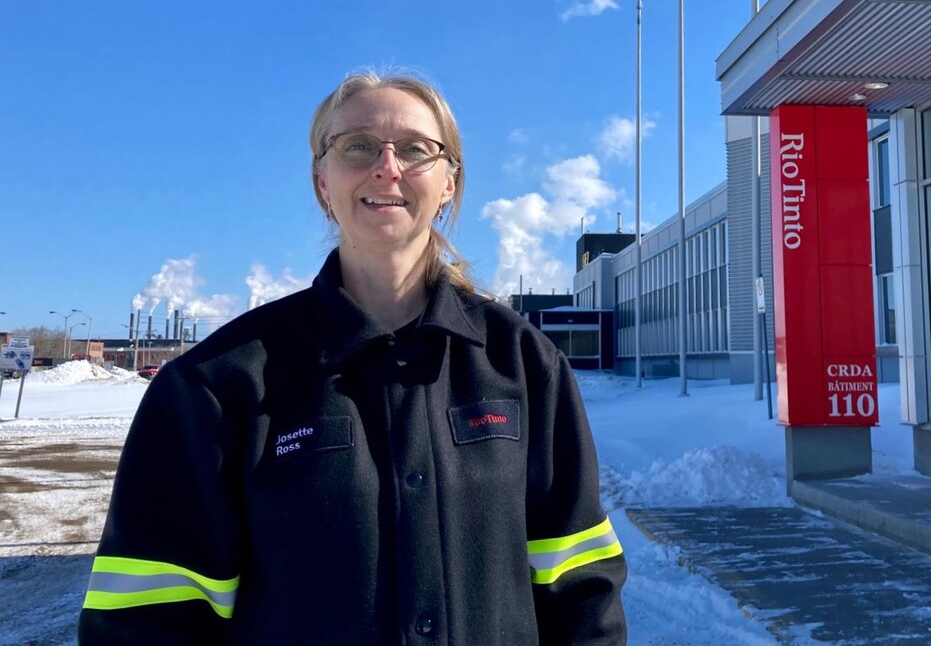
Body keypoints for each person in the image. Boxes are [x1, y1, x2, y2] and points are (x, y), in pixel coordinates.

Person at [78, 70, 628, 644]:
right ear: (322, 181)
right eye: (357, 146)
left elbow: (580, 587)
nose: (387, 167)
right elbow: (145, 622)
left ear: (448, 184)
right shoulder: (217, 384)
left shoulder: (522, 364)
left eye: (416, 149)